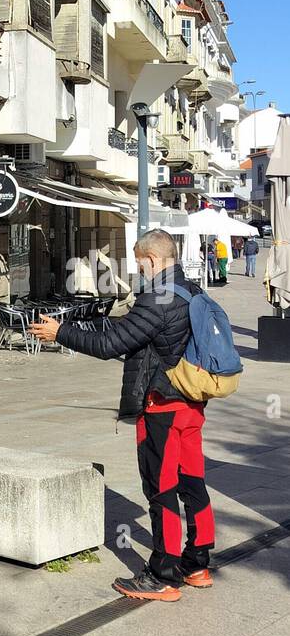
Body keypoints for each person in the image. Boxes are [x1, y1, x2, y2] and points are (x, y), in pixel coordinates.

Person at [30, 229, 214, 602]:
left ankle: (163, 573)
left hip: (162, 406)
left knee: (160, 487)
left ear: (150, 259)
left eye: (139, 263)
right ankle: (197, 563)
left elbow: (110, 344)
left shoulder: (157, 298)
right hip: (192, 404)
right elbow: (127, 332)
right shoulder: (192, 290)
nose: (139, 271)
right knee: (192, 481)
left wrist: (60, 332)